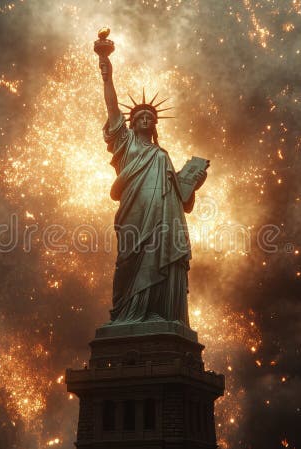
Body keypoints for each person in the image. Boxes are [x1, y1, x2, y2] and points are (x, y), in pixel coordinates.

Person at [97, 48, 208, 325]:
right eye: (139, 116)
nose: (145, 118)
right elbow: (112, 109)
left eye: (150, 116)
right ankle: (127, 313)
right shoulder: (126, 143)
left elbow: (180, 197)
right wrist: (106, 73)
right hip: (136, 212)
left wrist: (194, 183)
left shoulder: (163, 155)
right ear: (131, 124)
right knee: (130, 260)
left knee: (163, 258)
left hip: (166, 215)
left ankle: (159, 312)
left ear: (155, 123)